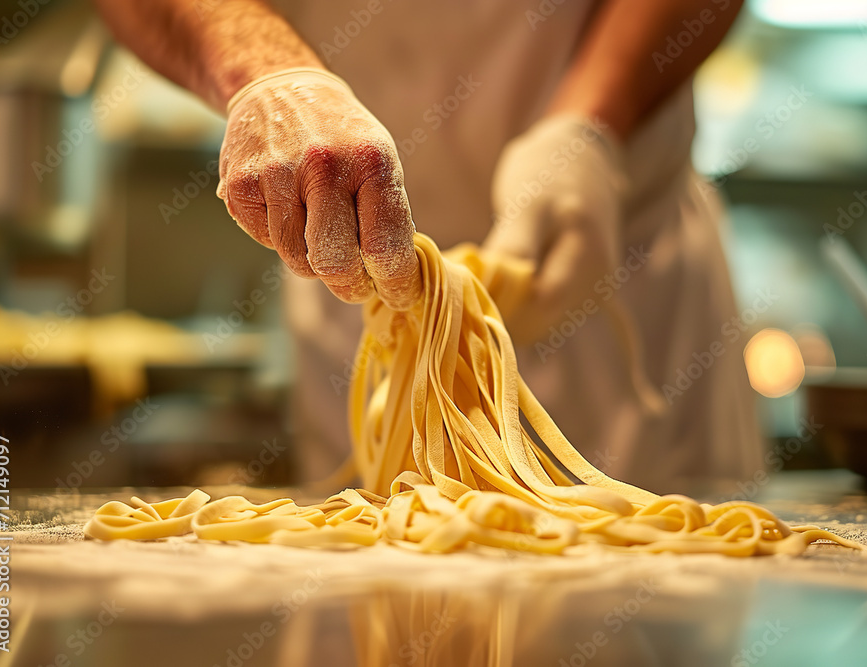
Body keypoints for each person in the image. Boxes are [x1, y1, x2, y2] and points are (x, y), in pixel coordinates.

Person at [94, 0, 762, 493]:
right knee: (384, 612)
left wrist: (591, 128)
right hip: (356, 279)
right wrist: (268, 76)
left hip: (613, 246)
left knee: (646, 613)